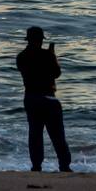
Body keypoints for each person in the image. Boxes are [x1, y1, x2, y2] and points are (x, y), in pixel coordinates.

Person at [16, 27, 72, 172]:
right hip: (48, 98)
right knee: (57, 135)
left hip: (31, 98)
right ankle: (64, 165)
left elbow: (29, 71)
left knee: (35, 134)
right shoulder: (47, 55)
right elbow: (56, 73)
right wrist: (52, 55)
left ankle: (36, 166)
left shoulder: (21, 56)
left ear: (28, 40)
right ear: (40, 40)